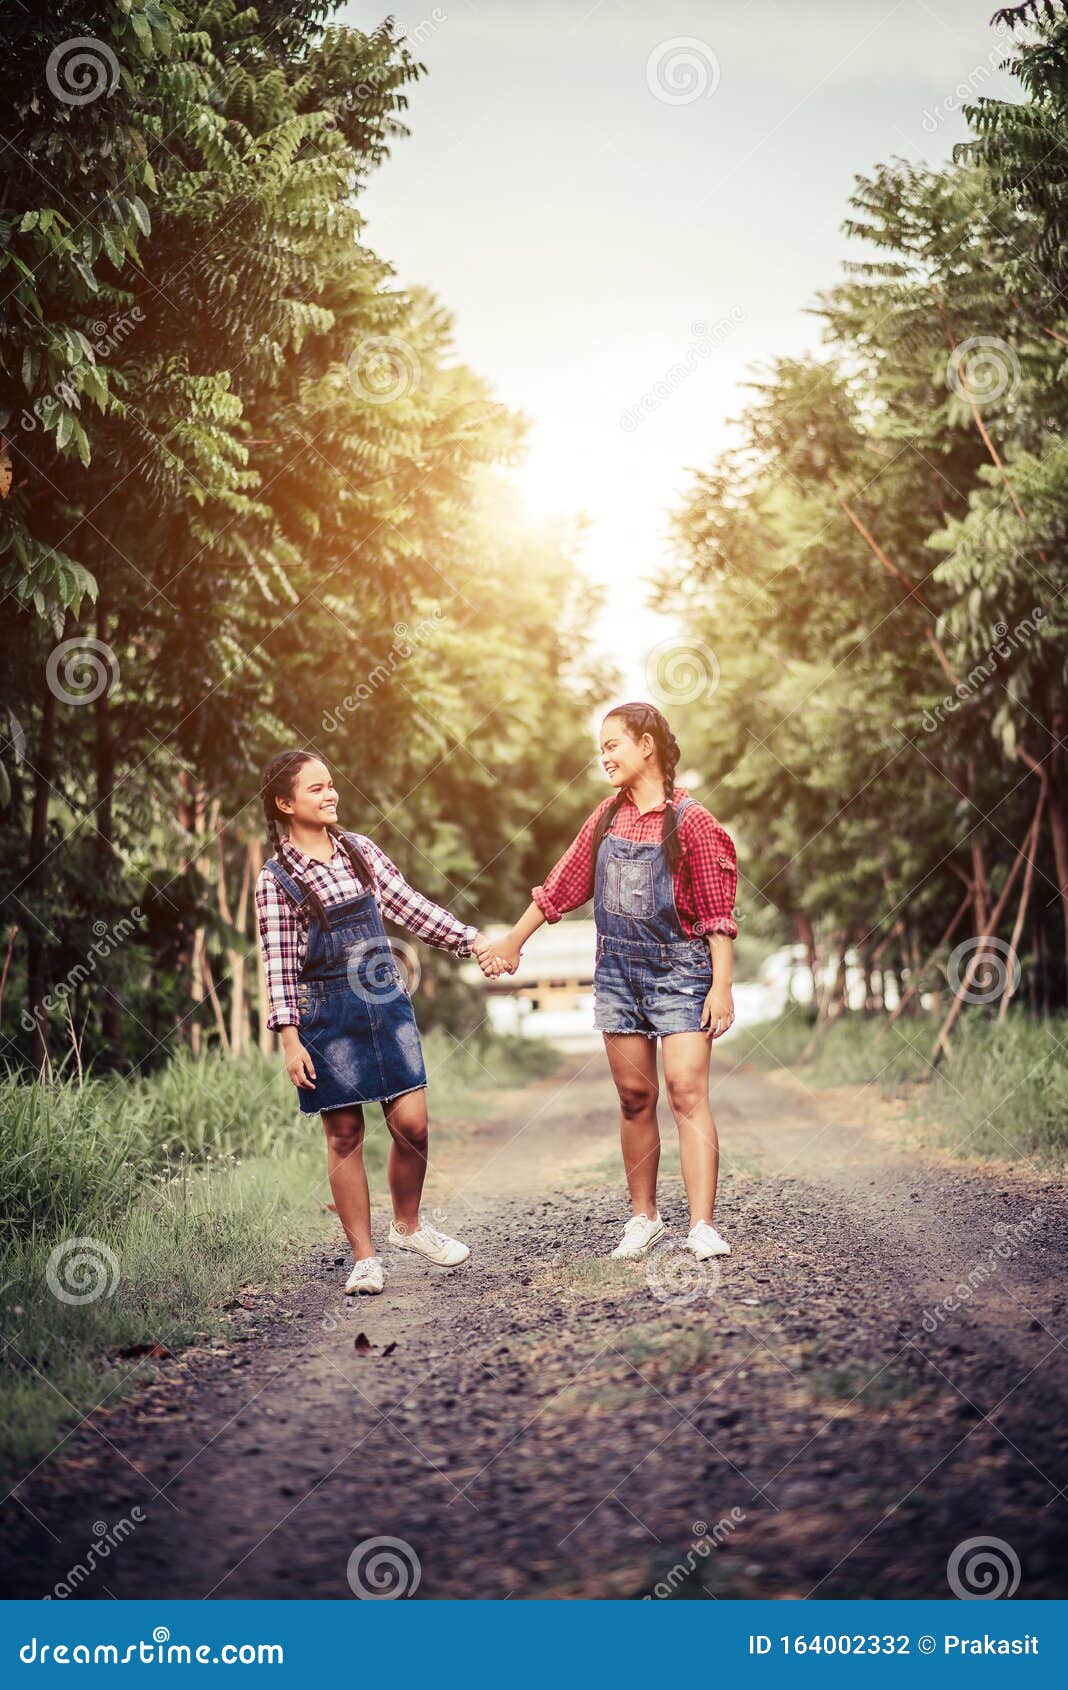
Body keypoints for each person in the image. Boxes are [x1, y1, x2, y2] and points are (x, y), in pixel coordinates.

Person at [491, 702, 738, 1262]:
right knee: (633, 1097)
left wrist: (720, 987)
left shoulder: (692, 821)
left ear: (646, 745)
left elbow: (718, 915)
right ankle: (643, 1217)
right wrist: (512, 942)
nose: (603, 756)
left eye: (612, 745)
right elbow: (561, 886)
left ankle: (701, 1225)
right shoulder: (605, 818)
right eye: (600, 747)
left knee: (686, 1091)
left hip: (681, 972)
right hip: (618, 974)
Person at [254, 749, 500, 1295]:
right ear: (285, 803)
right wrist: (290, 1041)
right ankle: (364, 1258)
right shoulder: (276, 878)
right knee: (344, 1134)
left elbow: (410, 906)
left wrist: (473, 940)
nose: (330, 794)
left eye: (331, 784)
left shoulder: (360, 852)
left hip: (384, 1001)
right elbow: (279, 965)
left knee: (412, 1123)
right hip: (324, 1011)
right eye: (316, 789)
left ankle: (408, 1225)